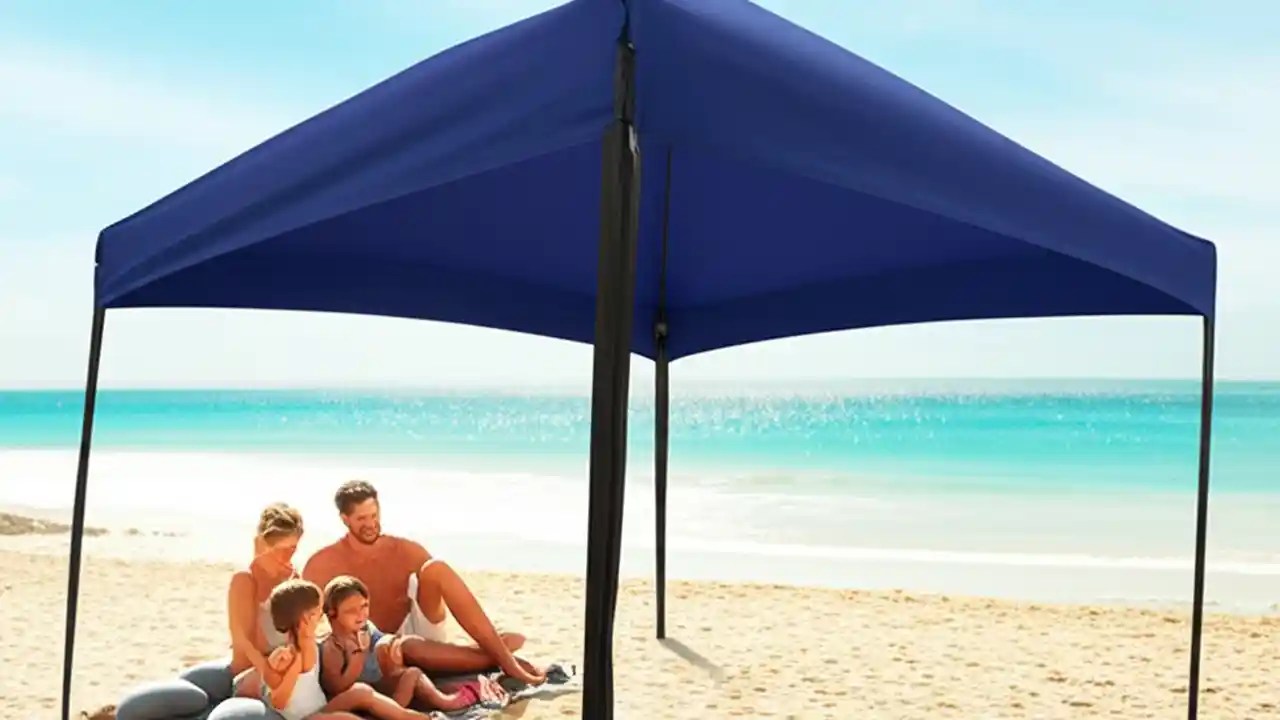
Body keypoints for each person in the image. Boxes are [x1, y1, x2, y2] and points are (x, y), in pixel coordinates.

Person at [302, 480, 545, 686]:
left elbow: (444, 591)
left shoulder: (404, 549)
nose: (370, 524)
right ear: (345, 519)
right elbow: (306, 621)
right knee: (409, 646)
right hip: (370, 644)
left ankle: (500, 657)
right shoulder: (323, 562)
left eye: (374, 515)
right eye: (361, 518)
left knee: (436, 568)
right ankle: (497, 658)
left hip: (417, 628)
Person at [319, 575, 508, 712]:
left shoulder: (364, 627)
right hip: (367, 698)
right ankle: (447, 703)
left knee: (413, 674)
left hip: (383, 684)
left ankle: (453, 697)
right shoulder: (333, 647)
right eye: (351, 611)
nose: (361, 615)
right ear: (332, 613)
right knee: (413, 682)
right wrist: (356, 656)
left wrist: (391, 643)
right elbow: (336, 688)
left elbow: (382, 639)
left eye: (364, 606)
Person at [261, 578, 434, 720]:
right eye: (318, 613)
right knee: (344, 718)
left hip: (320, 708)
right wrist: (290, 668)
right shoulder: (289, 656)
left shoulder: (313, 643)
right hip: (307, 719)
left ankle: (423, 718)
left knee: (361, 691)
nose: (323, 617)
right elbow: (278, 702)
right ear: (306, 619)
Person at [228, 502, 307, 699]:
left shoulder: (293, 578)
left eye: (293, 548)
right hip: (252, 670)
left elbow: (298, 634)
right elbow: (242, 640)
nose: (287, 556)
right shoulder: (245, 580)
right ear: (263, 544)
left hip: (284, 666)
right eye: (279, 549)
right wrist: (268, 671)